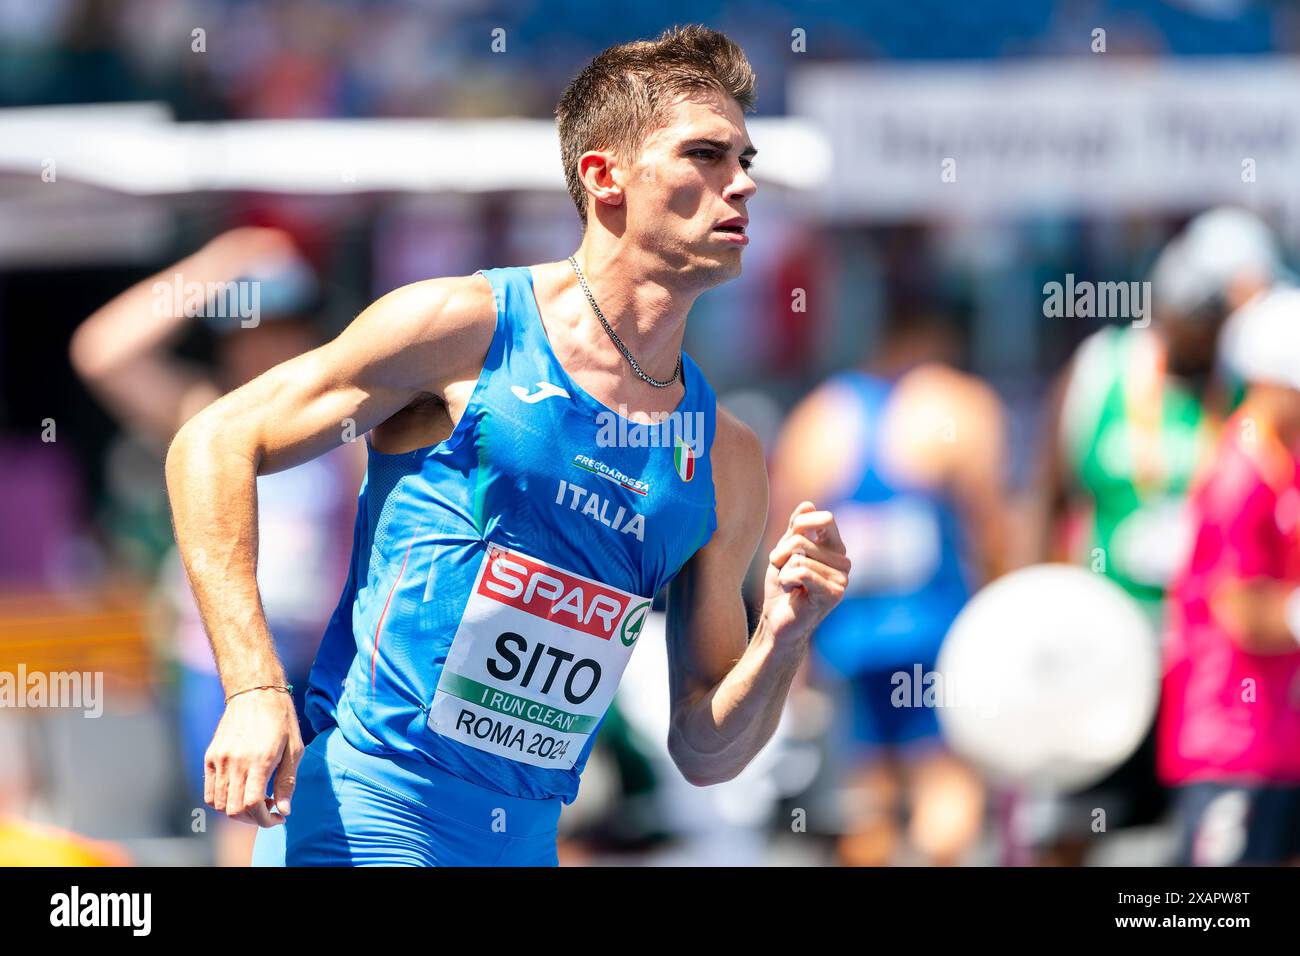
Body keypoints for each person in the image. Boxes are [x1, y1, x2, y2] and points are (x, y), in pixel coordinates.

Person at [163, 25, 851, 867]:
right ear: (605, 178)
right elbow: (212, 442)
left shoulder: (725, 456)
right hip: (363, 822)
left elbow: (705, 752)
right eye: (706, 155)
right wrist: (255, 687)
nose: (742, 183)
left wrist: (783, 636)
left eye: (746, 159)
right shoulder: (463, 330)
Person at [69, 225, 363, 866]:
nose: (267, 344)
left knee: (332, 824)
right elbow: (100, 351)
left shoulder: (344, 422)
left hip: (322, 654)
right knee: (248, 818)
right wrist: (217, 262)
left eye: (284, 325)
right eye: (249, 329)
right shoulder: (203, 411)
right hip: (220, 658)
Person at [1033, 207, 1284, 864]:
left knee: (1203, 836)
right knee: (1074, 824)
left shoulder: (1247, 394)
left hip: (1206, 665)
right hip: (1105, 648)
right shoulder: (1102, 372)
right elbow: (1050, 504)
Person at [768, 306, 1010, 866]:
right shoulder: (959, 406)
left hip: (848, 640)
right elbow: (993, 533)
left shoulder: (818, 419)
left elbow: (781, 546)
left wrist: (791, 660)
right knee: (946, 786)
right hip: (937, 637)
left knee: (864, 799)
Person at [1158, 287, 1300, 865]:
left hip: (1276, 741)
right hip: (1233, 745)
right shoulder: (1241, 473)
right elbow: (1238, 608)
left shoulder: (1275, 462)